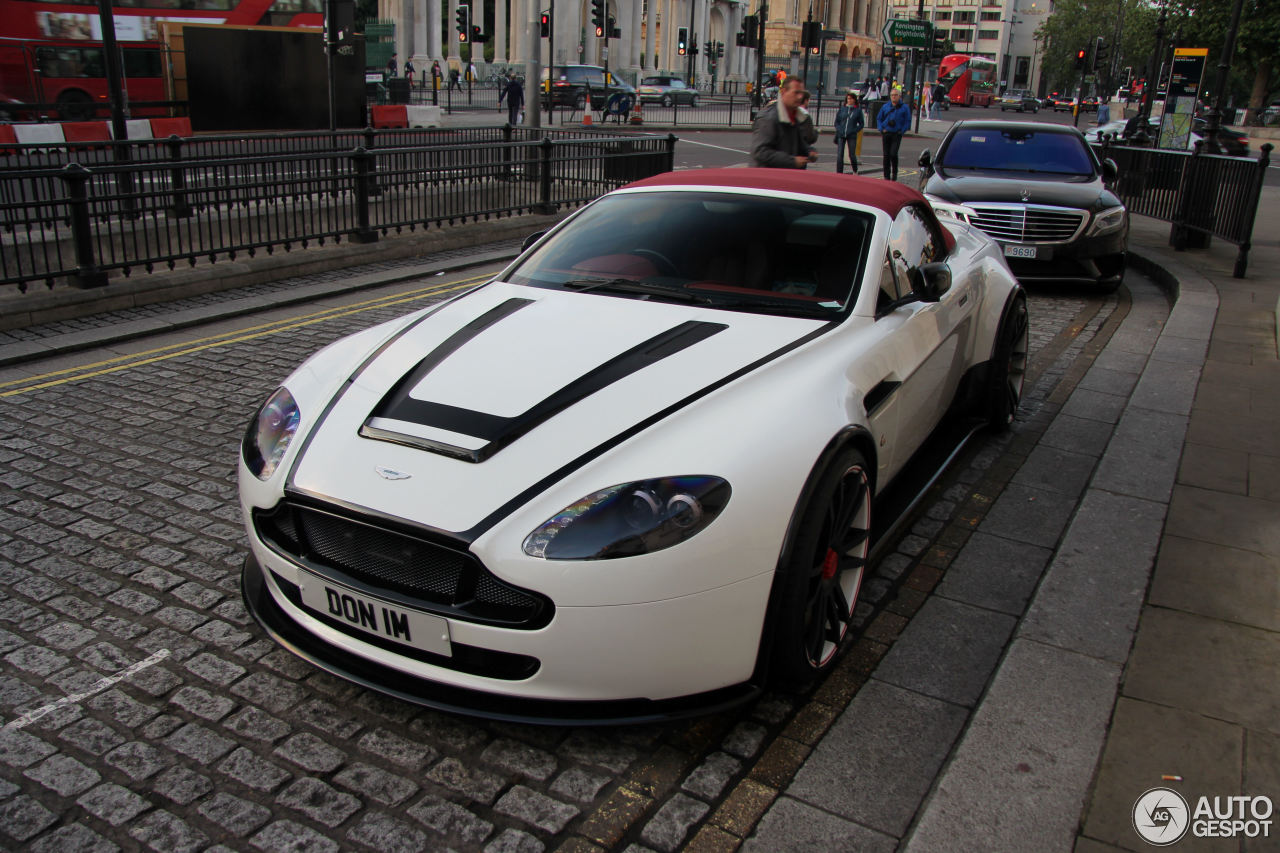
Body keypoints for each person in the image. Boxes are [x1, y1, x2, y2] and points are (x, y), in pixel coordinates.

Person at [750, 77, 818, 169]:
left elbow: (800, 143)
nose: (800, 97)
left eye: (801, 93)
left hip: (786, 177)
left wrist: (809, 151)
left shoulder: (795, 115)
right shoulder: (768, 118)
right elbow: (760, 152)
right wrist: (792, 161)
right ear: (783, 92)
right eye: (796, 93)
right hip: (768, 178)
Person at [876, 87, 912, 181]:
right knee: (886, 155)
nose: (894, 97)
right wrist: (881, 128)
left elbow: (908, 121)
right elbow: (879, 118)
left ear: (899, 96)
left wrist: (902, 131)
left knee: (893, 153)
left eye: (896, 95)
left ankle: (894, 173)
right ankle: (886, 176)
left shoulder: (904, 107)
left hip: (897, 133)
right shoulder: (886, 106)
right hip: (886, 133)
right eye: (892, 95)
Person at [833, 91, 864, 174]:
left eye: (850, 99)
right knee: (840, 155)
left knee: (852, 155)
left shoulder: (858, 111)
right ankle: (839, 173)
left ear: (854, 100)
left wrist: (854, 130)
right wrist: (839, 129)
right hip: (841, 134)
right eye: (848, 99)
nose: (848, 100)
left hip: (851, 135)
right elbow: (837, 122)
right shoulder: (842, 109)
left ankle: (855, 170)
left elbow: (861, 124)